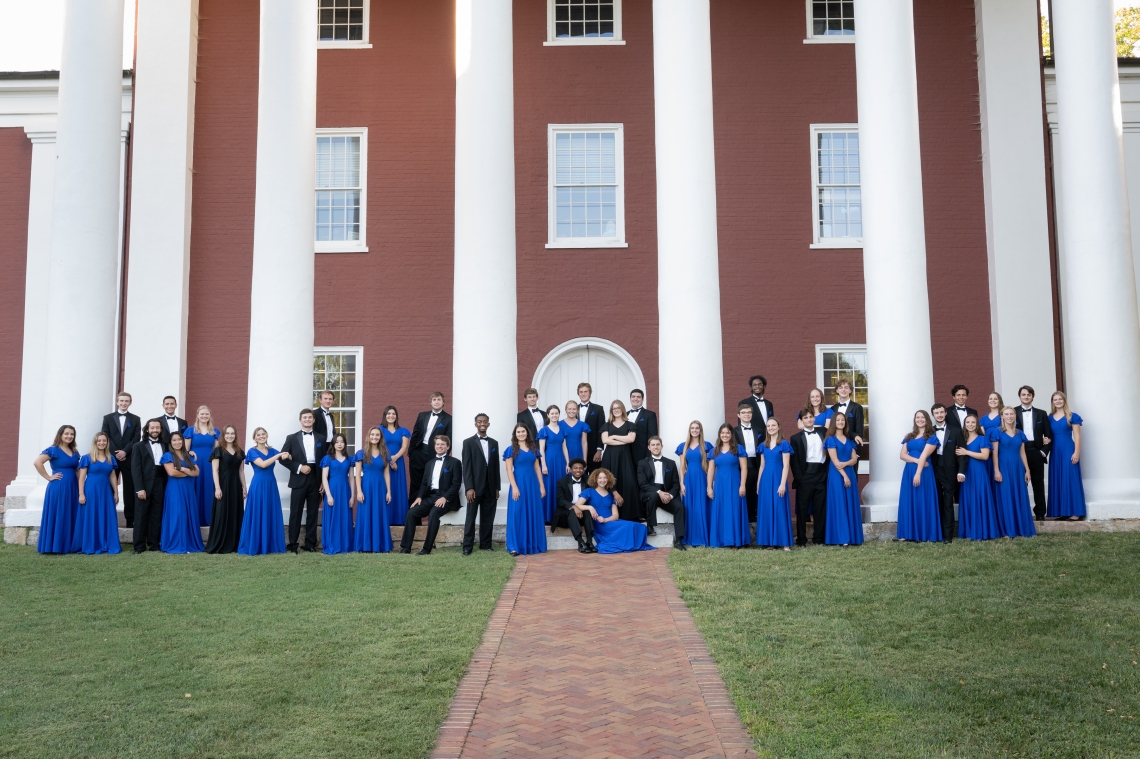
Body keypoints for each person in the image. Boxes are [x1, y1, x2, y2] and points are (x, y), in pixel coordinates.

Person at [400, 435, 463, 555]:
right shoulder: (429, 463)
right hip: (431, 496)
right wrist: (419, 497)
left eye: (442, 444)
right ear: (434, 447)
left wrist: (445, 498)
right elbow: (424, 484)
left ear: (448, 447)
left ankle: (426, 549)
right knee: (411, 513)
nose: (439, 446)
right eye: (437, 444)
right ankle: (406, 547)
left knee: (434, 514)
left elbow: (456, 484)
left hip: (447, 497)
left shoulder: (455, 463)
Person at [574, 468, 655, 553]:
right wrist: (590, 507)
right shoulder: (589, 491)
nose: (603, 480)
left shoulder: (611, 495)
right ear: (595, 479)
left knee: (640, 526)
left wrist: (606, 519)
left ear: (608, 479)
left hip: (610, 521)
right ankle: (628, 545)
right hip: (599, 524)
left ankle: (634, 546)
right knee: (630, 526)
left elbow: (616, 515)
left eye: (605, 478)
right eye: (600, 478)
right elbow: (577, 505)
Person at [280, 408, 326, 553]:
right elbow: (283, 459)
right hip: (299, 477)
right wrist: (299, 467)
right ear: (300, 420)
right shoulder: (291, 438)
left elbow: (325, 461)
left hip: (316, 478)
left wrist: (323, 481)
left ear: (314, 420)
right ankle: (293, 544)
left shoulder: (321, 438)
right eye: (304, 418)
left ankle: (310, 544)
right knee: (296, 512)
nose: (307, 420)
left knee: (313, 512)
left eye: (309, 418)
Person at [238, 427, 287, 555]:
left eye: (263, 434)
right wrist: (279, 454)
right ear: (254, 438)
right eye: (258, 435)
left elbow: (285, 457)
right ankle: (256, 544)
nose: (261, 436)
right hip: (259, 484)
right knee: (258, 512)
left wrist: (287, 454)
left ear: (266, 435)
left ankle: (270, 544)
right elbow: (264, 464)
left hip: (271, 484)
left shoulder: (271, 450)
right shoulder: (252, 451)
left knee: (270, 511)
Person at [34, 425, 81, 554]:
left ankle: (69, 544)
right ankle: (55, 546)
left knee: (69, 513)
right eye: (66, 434)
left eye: (72, 434)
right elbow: (37, 462)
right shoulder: (53, 450)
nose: (69, 436)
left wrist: (80, 487)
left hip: (72, 487)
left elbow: (77, 470)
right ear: (60, 434)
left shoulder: (75, 452)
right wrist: (48, 477)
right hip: (58, 487)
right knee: (59, 513)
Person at [991, 406, 1037, 538]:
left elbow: (1022, 453)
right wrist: (996, 470)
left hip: (1017, 467)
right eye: (1007, 414)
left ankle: (1021, 528)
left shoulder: (1020, 433)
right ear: (1002, 416)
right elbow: (995, 453)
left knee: (1019, 496)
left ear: (1015, 416)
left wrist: (1027, 470)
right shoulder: (997, 432)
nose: (1009, 416)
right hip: (1003, 466)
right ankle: (1007, 530)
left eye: (1012, 414)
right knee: (1006, 497)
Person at [896, 410, 942, 542]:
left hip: (923, 472)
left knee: (924, 500)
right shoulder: (909, 436)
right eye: (917, 417)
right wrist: (916, 462)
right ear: (914, 419)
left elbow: (924, 456)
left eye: (922, 417)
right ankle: (907, 533)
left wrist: (918, 472)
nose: (920, 419)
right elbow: (902, 455)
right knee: (908, 500)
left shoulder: (931, 437)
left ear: (927, 420)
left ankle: (926, 534)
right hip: (909, 471)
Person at [954, 414, 1000, 541]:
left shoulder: (982, 439)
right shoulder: (961, 439)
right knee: (968, 500)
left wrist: (966, 452)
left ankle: (982, 531)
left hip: (978, 472)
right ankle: (968, 531)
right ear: (964, 424)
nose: (970, 424)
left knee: (980, 499)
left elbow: (985, 456)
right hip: (966, 473)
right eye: (967, 422)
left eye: (973, 422)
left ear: (977, 424)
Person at [502, 425, 546, 556]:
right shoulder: (511, 450)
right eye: (518, 432)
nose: (521, 434)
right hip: (519, 483)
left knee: (532, 511)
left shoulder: (533, 449)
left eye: (523, 431)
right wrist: (514, 487)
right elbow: (509, 470)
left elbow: (537, 468)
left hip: (532, 484)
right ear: (515, 434)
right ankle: (514, 546)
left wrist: (542, 486)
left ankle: (532, 544)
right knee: (517, 513)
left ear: (527, 433)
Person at [74, 431, 121, 555]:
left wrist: (116, 493)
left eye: (104, 441)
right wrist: (81, 494)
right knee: (92, 516)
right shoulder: (87, 457)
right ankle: (91, 544)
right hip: (91, 491)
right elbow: (81, 477)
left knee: (106, 516)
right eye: (99, 441)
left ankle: (106, 542)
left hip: (105, 491)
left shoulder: (110, 458)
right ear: (95, 442)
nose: (102, 443)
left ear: (107, 442)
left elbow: (112, 477)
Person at [461, 414, 500, 555]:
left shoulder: (494, 443)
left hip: (490, 487)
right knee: (470, 517)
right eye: (479, 422)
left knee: (488, 517)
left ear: (488, 424)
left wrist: (497, 487)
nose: (482, 424)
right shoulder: (468, 442)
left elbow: (496, 467)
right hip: (475, 488)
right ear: (475, 424)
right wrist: (469, 487)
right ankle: (467, 546)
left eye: (484, 422)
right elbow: (466, 467)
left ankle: (486, 544)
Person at [706, 424, 750, 548]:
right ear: (719, 434)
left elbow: (744, 468)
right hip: (719, 485)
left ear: (731, 435)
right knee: (721, 510)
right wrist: (709, 487)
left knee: (734, 509)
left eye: (727, 433)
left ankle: (736, 540)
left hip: (735, 483)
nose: (725, 435)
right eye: (722, 433)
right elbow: (710, 470)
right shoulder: (714, 450)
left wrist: (742, 485)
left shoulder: (739, 449)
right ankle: (721, 540)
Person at [637, 436, 685, 549]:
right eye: (653, 445)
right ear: (649, 447)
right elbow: (643, 484)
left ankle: (679, 540)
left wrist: (670, 495)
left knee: (680, 507)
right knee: (653, 495)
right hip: (649, 493)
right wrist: (659, 492)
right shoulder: (642, 463)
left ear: (661, 446)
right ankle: (650, 526)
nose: (655, 447)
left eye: (657, 444)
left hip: (666, 495)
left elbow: (675, 484)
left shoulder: (671, 463)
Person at [101, 391, 140, 528]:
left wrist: (125, 451)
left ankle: (131, 521)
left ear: (130, 403)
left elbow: (136, 438)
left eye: (126, 401)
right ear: (117, 402)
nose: (124, 403)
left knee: (130, 489)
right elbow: (105, 436)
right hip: (112, 458)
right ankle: (108, 519)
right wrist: (116, 452)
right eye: (121, 401)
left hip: (129, 458)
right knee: (110, 487)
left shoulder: (136, 419)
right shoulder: (108, 418)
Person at [790, 408, 828, 546]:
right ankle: (801, 539)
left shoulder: (823, 432)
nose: (809, 419)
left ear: (814, 418)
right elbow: (793, 462)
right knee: (802, 510)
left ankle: (818, 538)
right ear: (801, 420)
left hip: (820, 474)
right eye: (805, 418)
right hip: (805, 475)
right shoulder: (795, 438)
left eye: (811, 417)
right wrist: (800, 478)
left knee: (820, 508)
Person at [160, 432, 203, 554]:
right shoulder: (168, 456)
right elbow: (172, 473)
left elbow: (197, 473)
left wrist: (183, 469)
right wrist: (189, 472)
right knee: (177, 515)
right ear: (170, 443)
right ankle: (176, 543)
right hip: (174, 489)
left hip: (188, 489)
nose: (177, 442)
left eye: (179, 439)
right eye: (174, 440)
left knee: (189, 514)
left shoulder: (188, 455)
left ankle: (189, 543)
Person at [1014, 385, 1053, 521]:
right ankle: (1021, 513)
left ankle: (1040, 513)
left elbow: (1049, 436)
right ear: (1019, 396)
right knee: (1020, 483)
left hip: (1036, 451)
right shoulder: (1012, 412)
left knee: (1038, 484)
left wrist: (1043, 453)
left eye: (1029, 395)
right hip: (1019, 452)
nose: (1026, 397)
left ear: (1032, 397)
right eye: (1023, 394)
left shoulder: (1041, 413)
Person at [205, 424, 245, 554]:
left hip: (236, 486)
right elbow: (215, 470)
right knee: (222, 513)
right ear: (223, 435)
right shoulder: (218, 450)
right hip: (223, 485)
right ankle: (221, 544)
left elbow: (241, 471)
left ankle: (234, 543)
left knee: (235, 512)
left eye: (232, 433)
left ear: (235, 435)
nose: (230, 436)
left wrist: (244, 487)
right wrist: (217, 488)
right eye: (227, 433)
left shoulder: (239, 451)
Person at [824, 413, 862, 546]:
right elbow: (834, 460)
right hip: (836, 474)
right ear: (834, 422)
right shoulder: (830, 440)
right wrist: (844, 475)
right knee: (839, 503)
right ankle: (841, 538)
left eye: (842, 420)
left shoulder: (850, 441)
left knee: (850, 503)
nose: (840, 422)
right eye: (838, 420)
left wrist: (846, 465)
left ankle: (853, 537)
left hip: (849, 472)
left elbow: (854, 459)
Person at [755, 417, 794, 550]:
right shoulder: (763, 445)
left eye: (773, 425)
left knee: (779, 507)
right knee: (767, 508)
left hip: (778, 477)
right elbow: (761, 466)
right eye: (768, 426)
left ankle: (784, 542)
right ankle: (770, 542)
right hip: (765, 479)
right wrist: (758, 484)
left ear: (778, 427)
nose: (771, 428)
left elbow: (786, 465)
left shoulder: (783, 444)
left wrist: (782, 484)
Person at [1047, 391, 1086, 520]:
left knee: (1070, 478)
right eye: (1055, 399)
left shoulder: (1071, 416)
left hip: (1068, 448)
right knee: (1058, 478)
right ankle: (1063, 511)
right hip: (1055, 450)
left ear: (1064, 400)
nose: (1058, 401)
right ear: (1052, 402)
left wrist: (1076, 452)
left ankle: (1075, 512)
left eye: (1060, 399)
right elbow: (1047, 436)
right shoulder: (1050, 417)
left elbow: (1077, 435)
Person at [409, 392, 453, 506]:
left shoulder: (448, 419)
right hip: (418, 453)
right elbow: (415, 434)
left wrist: (443, 457)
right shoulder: (422, 415)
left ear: (443, 402)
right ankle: (413, 516)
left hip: (434, 454)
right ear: (431, 402)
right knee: (416, 484)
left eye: (439, 400)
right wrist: (411, 452)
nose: (436, 402)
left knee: (431, 483)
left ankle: (431, 514)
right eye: (434, 400)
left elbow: (449, 440)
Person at [930, 404, 966, 543]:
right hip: (933, 470)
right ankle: (937, 533)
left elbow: (962, 454)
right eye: (936, 413)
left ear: (945, 413)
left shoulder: (956, 431)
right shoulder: (929, 431)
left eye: (941, 412)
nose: (939, 415)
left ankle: (947, 536)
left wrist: (961, 471)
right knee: (936, 501)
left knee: (947, 502)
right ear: (933, 415)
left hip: (950, 471)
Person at [354, 426, 393, 553]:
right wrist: (359, 491)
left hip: (380, 486)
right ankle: (365, 545)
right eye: (372, 435)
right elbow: (358, 474)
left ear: (380, 437)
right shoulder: (361, 453)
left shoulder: (385, 453)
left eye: (377, 435)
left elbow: (387, 474)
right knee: (366, 514)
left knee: (379, 513)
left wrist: (389, 491)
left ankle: (379, 545)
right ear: (368, 436)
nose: (374, 437)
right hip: (366, 486)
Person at [130, 419, 167, 553]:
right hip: (144, 484)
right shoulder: (138, 446)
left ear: (161, 430)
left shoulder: (166, 445)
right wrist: (139, 488)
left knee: (156, 515)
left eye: (157, 428)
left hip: (160, 483)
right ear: (147, 429)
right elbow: (135, 469)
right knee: (140, 516)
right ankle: (139, 546)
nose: (155, 430)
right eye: (152, 428)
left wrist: (190, 453)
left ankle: (154, 544)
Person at [601, 400, 639, 521]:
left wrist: (614, 436)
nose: (616, 410)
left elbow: (631, 439)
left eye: (618, 408)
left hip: (625, 457)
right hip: (610, 457)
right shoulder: (606, 425)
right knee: (610, 480)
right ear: (611, 411)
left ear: (622, 409)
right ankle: (612, 513)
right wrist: (623, 440)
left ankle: (628, 514)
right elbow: (605, 441)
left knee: (628, 482)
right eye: (613, 408)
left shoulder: (630, 424)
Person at [675, 421, 712, 547]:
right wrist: (681, 483)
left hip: (702, 477)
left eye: (697, 428)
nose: (695, 430)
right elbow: (681, 467)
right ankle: (690, 537)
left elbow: (710, 467)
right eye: (692, 428)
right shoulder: (683, 446)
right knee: (690, 507)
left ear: (700, 430)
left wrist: (709, 484)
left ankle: (702, 537)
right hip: (689, 479)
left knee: (701, 505)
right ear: (689, 430)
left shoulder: (706, 445)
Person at [183, 405, 220, 527]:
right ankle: (194, 519)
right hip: (195, 463)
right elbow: (185, 450)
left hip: (210, 464)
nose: (204, 416)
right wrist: (189, 453)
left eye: (207, 414)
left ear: (210, 416)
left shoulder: (215, 432)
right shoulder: (190, 430)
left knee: (208, 488)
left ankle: (208, 519)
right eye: (202, 414)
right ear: (197, 415)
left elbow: (217, 451)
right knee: (195, 488)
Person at [320, 433, 356, 555]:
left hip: (345, 490)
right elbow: (324, 478)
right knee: (332, 517)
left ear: (345, 444)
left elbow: (351, 478)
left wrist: (352, 496)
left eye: (342, 442)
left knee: (345, 517)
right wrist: (329, 495)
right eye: (337, 442)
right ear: (333, 444)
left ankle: (344, 545)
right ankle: (332, 544)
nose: (339, 444)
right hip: (333, 489)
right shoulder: (327, 458)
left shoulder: (349, 459)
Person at [554, 458, 596, 553]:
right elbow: (561, 500)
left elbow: (603, 483)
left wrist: (614, 492)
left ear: (584, 469)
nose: (578, 470)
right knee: (572, 512)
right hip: (565, 515)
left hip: (582, 513)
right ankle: (580, 542)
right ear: (570, 469)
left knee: (587, 512)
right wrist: (574, 507)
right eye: (575, 468)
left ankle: (589, 542)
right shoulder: (561, 482)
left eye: (580, 468)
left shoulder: (588, 480)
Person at [537, 405, 568, 524]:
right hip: (549, 461)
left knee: (560, 488)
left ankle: (559, 517)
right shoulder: (544, 430)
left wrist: (568, 463)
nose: (554, 415)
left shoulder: (562, 429)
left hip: (560, 461)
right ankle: (547, 517)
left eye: (556, 413)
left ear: (559, 415)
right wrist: (543, 465)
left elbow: (564, 448)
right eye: (552, 413)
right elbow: (541, 449)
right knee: (548, 487)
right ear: (548, 415)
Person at [381, 406, 412, 527]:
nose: (391, 416)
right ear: (385, 415)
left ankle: (399, 519)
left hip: (398, 463)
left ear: (396, 416)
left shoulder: (403, 430)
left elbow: (404, 447)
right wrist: (389, 460)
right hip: (383, 462)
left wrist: (394, 458)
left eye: (393, 414)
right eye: (388, 413)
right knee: (385, 489)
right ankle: (386, 518)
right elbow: (379, 446)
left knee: (397, 489)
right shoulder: (380, 429)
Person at [733, 404, 761, 523]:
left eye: (749, 412)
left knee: (756, 491)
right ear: (738, 415)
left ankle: (754, 517)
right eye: (744, 412)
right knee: (743, 491)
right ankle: (743, 518)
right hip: (740, 466)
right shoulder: (733, 431)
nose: (747, 414)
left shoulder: (759, 430)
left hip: (756, 464)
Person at [576, 383, 607, 471]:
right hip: (577, 448)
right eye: (581, 392)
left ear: (590, 393)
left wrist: (599, 450)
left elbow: (602, 430)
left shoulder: (598, 409)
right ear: (578, 393)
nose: (583, 394)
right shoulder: (573, 409)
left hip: (593, 450)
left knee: (594, 477)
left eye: (586, 391)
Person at [627, 389, 658, 466]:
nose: (635, 399)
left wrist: (649, 455)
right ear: (630, 399)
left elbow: (652, 436)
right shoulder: (624, 414)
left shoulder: (650, 415)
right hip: (625, 453)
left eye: (638, 397)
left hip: (642, 454)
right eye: (633, 396)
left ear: (642, 399)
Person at [830, 379, 864, 445]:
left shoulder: (857, 408)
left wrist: (857, 453)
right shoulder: (833, 409)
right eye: (840, 388)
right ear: (837, 390)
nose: (843, 390)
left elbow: (859, 432)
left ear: (850, 390)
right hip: (836, 446)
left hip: (851, 446)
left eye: (846, 387)